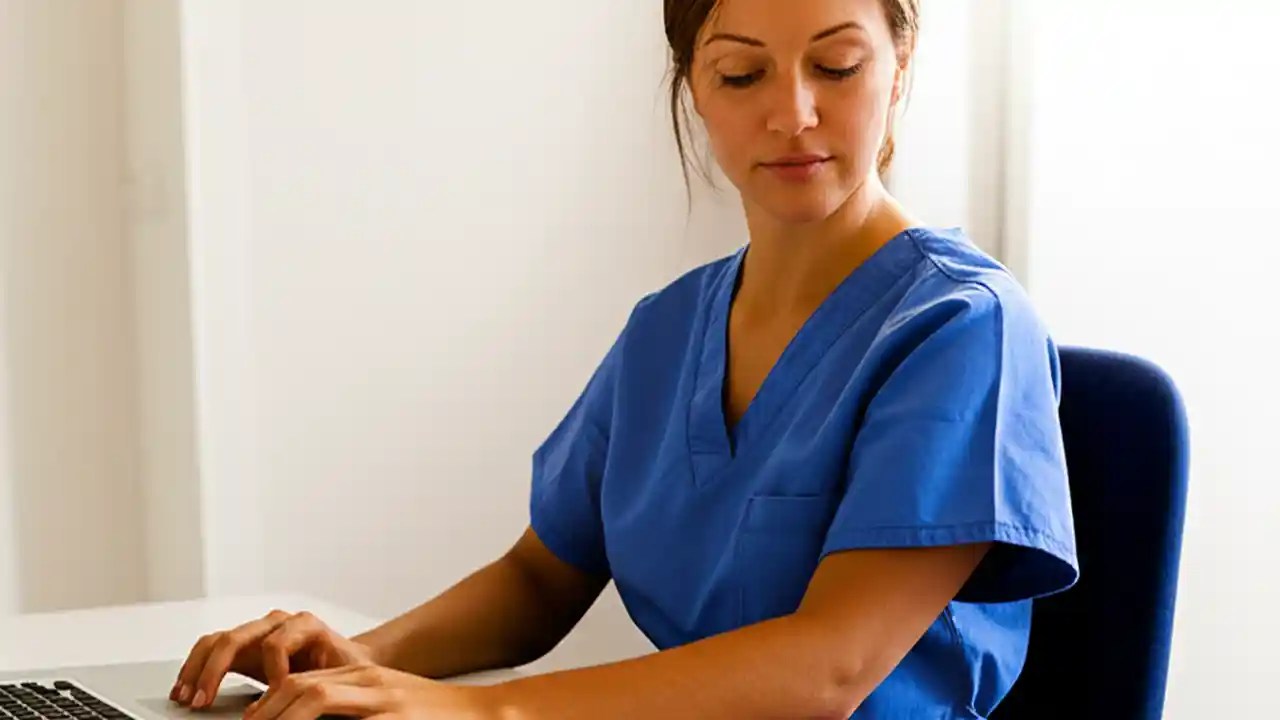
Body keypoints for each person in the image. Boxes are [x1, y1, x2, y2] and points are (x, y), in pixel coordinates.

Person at [169, 0, 1078, 717]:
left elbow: (830, 668)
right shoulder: (670, 327)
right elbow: (539, 577)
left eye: (837, 66)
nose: (792, 112)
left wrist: (478, 713)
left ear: (900, 61)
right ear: (694, 86)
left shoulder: (964, 325)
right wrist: (361, 658)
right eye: (741, 73)